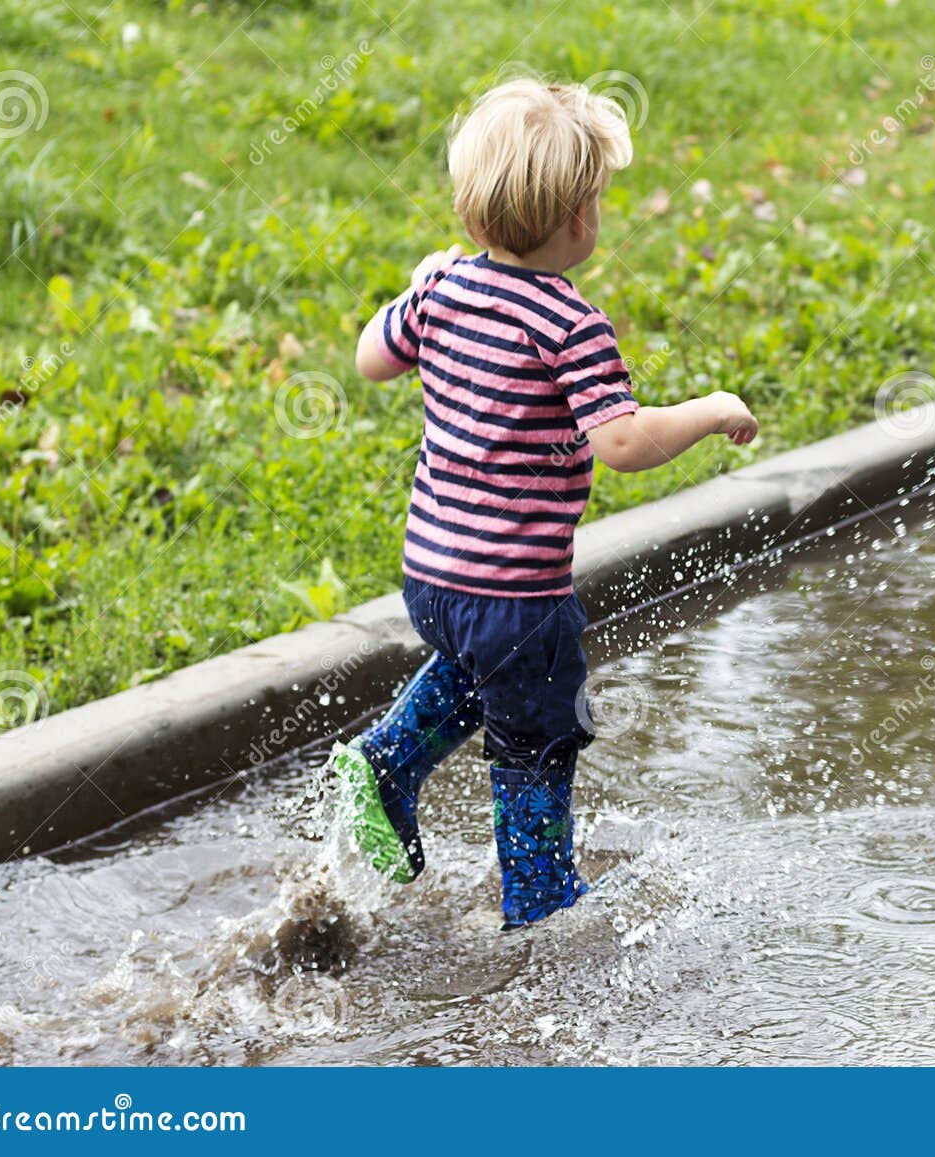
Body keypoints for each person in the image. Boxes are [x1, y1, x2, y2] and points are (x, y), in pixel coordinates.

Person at [325, 76, 759, 929]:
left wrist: (415, 287)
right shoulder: (571, 325)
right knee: (537, 735)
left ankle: (387, 763)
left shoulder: (444, 292)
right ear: (578, 220)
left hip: (433, 580)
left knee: (477, 672)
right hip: (518, 592)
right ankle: (538, 898)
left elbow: (373, 359)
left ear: (470, 208)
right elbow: (623, 442)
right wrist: (710, 411)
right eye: (595, 199)